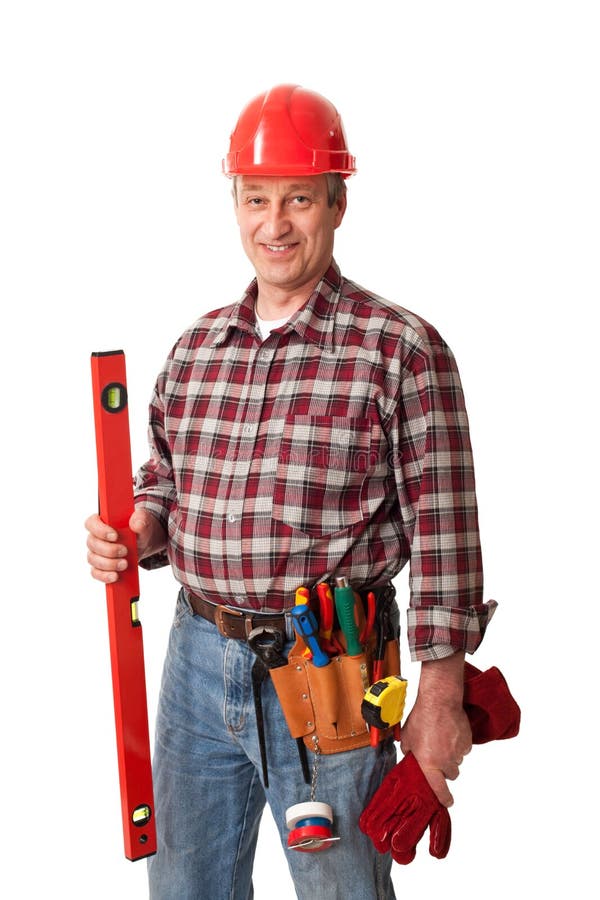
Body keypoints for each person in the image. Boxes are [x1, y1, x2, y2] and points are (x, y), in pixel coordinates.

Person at [85, 84, 497, 899]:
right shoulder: (198, 347)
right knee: (184, 888)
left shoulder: (401, 350)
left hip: (328, 674)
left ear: (338, 203)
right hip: (195, 665)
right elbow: (165, 480)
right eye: (257, 198)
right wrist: (137, 530)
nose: (275, 224)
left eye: (299, 199)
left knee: (341, 888)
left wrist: (442, 699)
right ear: (236, 203)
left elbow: (444, 539)